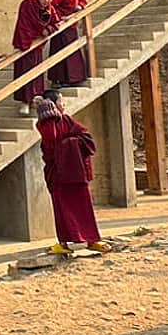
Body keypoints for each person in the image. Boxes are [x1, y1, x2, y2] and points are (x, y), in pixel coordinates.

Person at [34, 90, 110, 255]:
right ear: (52, 105)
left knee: (84, 208)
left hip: (75, 172)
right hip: (59, 174)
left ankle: (92, 240)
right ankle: (64, 243)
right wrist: (47, 111)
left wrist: (71, 143)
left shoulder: (68, 120)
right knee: (62, 210)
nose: (64, 104)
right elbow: (51, 137)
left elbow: (86, 137)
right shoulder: (45, 124)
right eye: (61, 101)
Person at [12, 0, 60, 116]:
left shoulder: (50, 9)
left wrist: (48, 30)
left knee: (37, 73)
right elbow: (25, 23)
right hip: (26, 42)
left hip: (37, 46)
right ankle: (25, 101)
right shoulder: (28, 3)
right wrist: (41, 31)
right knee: (25, 72)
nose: (47, 0)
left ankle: (35, 99)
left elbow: (57, 23)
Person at [48, 0, 89, 87]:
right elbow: (52, 7)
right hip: (61, 26)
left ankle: (74, 79)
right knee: (59, 52)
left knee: (72, 52)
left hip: (72, 25)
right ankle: (58, 80)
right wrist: (60, 18)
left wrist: (80, 6)